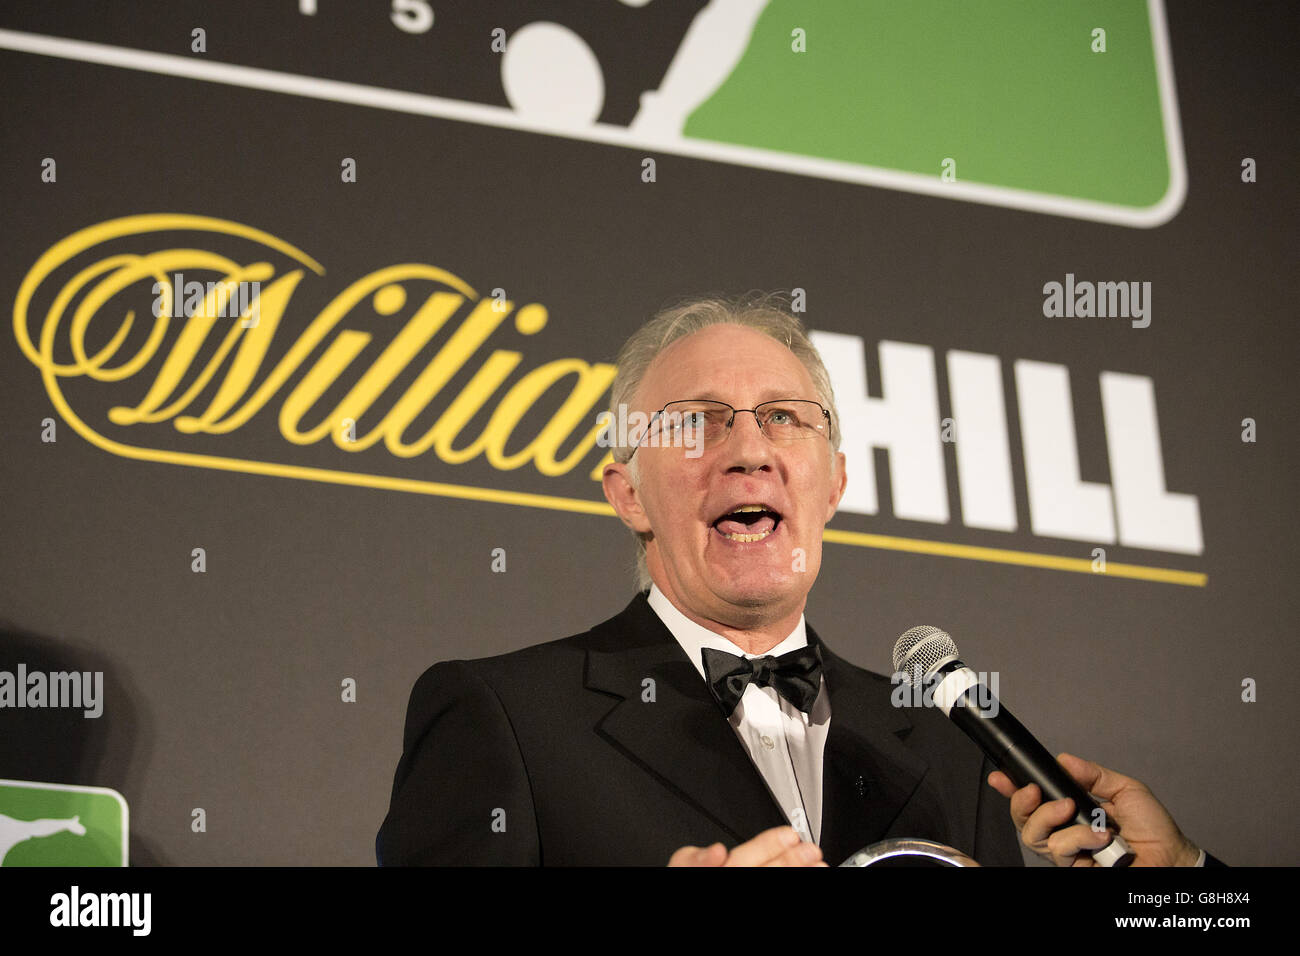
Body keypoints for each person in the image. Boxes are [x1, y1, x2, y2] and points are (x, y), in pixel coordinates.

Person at [376, 293, 1222, 867]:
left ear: (834, 484)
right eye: (698, 422)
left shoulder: (947, 753)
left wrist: (1182, 887)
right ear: (627, 493)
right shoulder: (505, 717)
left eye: (784, 417)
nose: (749, 450)